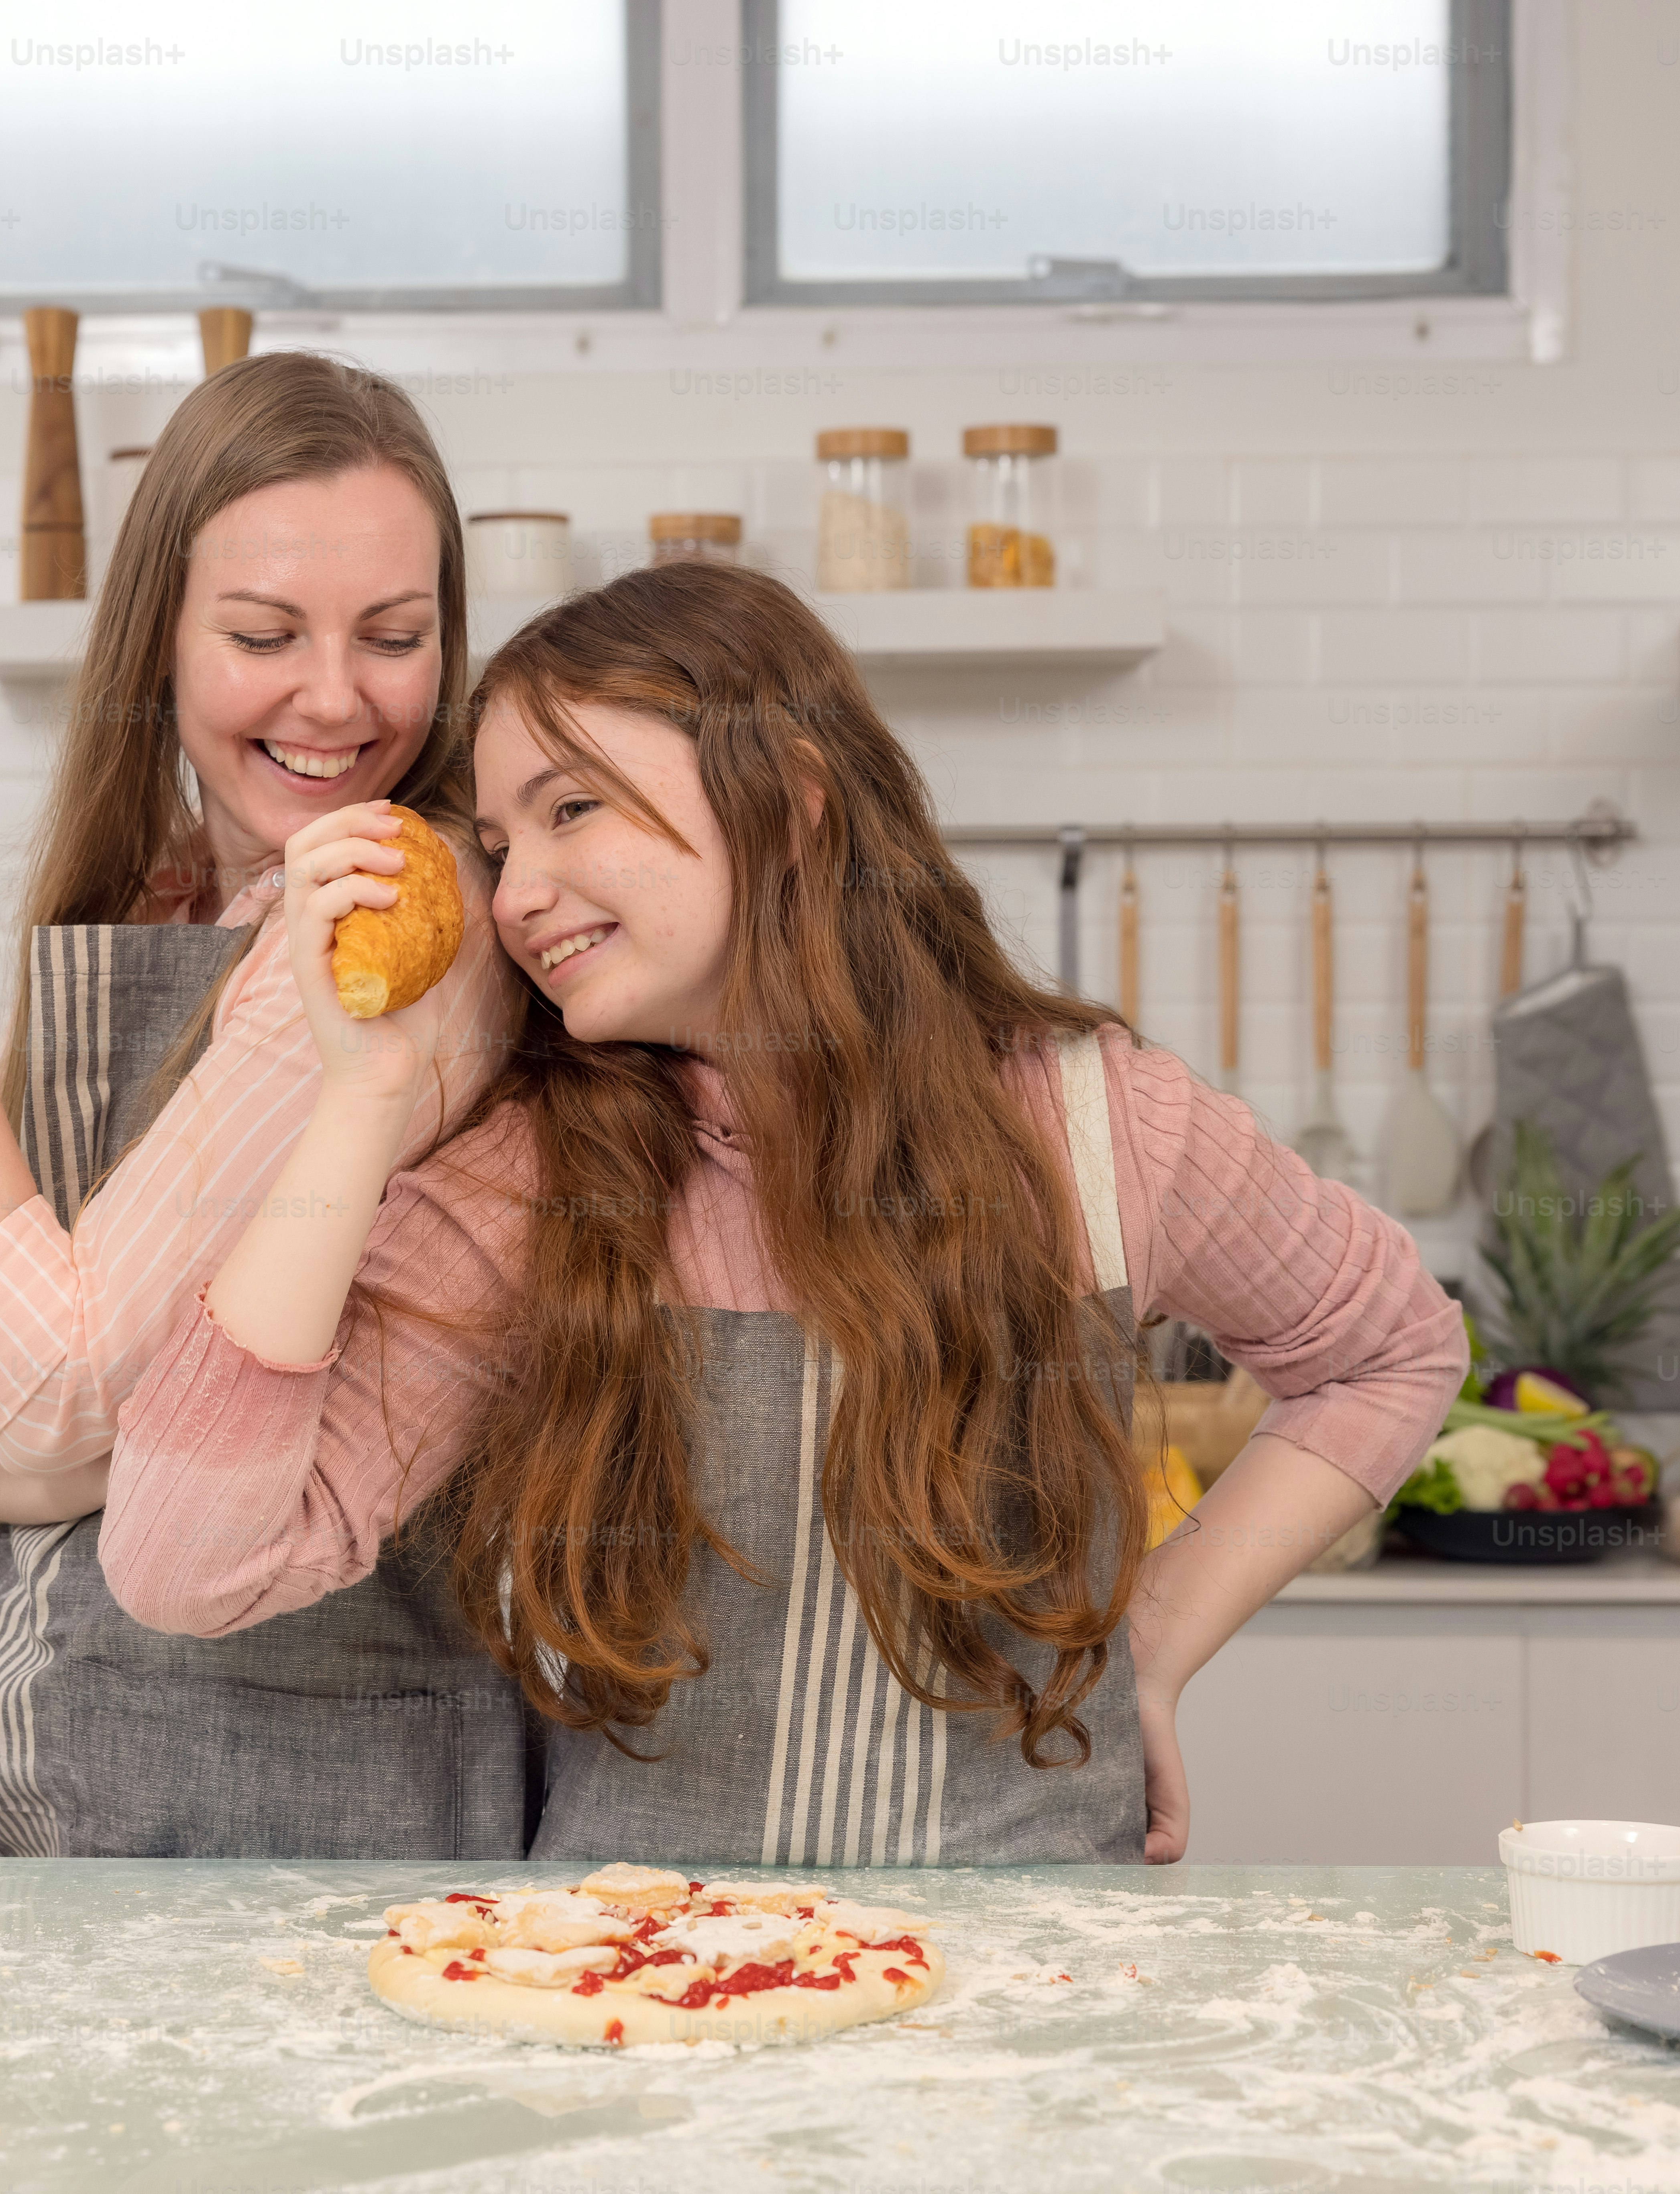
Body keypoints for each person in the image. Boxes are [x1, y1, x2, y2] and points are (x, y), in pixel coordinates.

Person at [101, 560, 1467, 1865]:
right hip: (637, 2001)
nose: (514, 896)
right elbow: (181, 1568)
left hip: (1031, 2002)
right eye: (502, 843)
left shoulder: (1103, 1127)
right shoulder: (535, 1177)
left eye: (573, 811)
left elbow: (1392, 1350)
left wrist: (1155, 1645)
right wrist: (363, 1093)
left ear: (792, 802)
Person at [0, 353, 528, 1858]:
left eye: (396, 637)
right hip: (75, 1815)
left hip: (312, 1852)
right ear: (157, 637)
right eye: (264, 634)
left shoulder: (394, 936)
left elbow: (36, 1382)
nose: (338, 696)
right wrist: (37, 1410)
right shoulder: (166, 893)